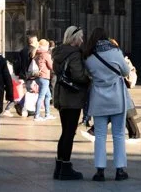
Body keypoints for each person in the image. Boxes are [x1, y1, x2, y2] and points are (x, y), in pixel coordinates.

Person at [83, 28, 133, 181]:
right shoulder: (115, 52)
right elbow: (125, 72)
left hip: (98, 98)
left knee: (100, 136)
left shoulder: (89, 57)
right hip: (117, 97)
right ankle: (119, 170)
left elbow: (88, 75)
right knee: (118, 134)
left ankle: (100, 171)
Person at [51, 26, 91, 180]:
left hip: (61, 96)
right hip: (73, 97)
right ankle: (66, 167)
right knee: (69, 132)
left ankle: (59, 166)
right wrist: (89, 77)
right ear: (74, 39)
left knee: (65, 132)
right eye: (80, 37)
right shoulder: (74, 54)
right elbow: (79, 76)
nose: (82, 40)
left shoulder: (58, 53)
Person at [33, 38, 54, 120]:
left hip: (38, 77)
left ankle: (47, 114)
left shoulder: (36, 54)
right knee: (41, 96)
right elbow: (51, 66)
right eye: (47, 46)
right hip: (44, 77)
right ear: (44, 46)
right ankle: (37, 115)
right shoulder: (46, 55)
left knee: (48, 95)